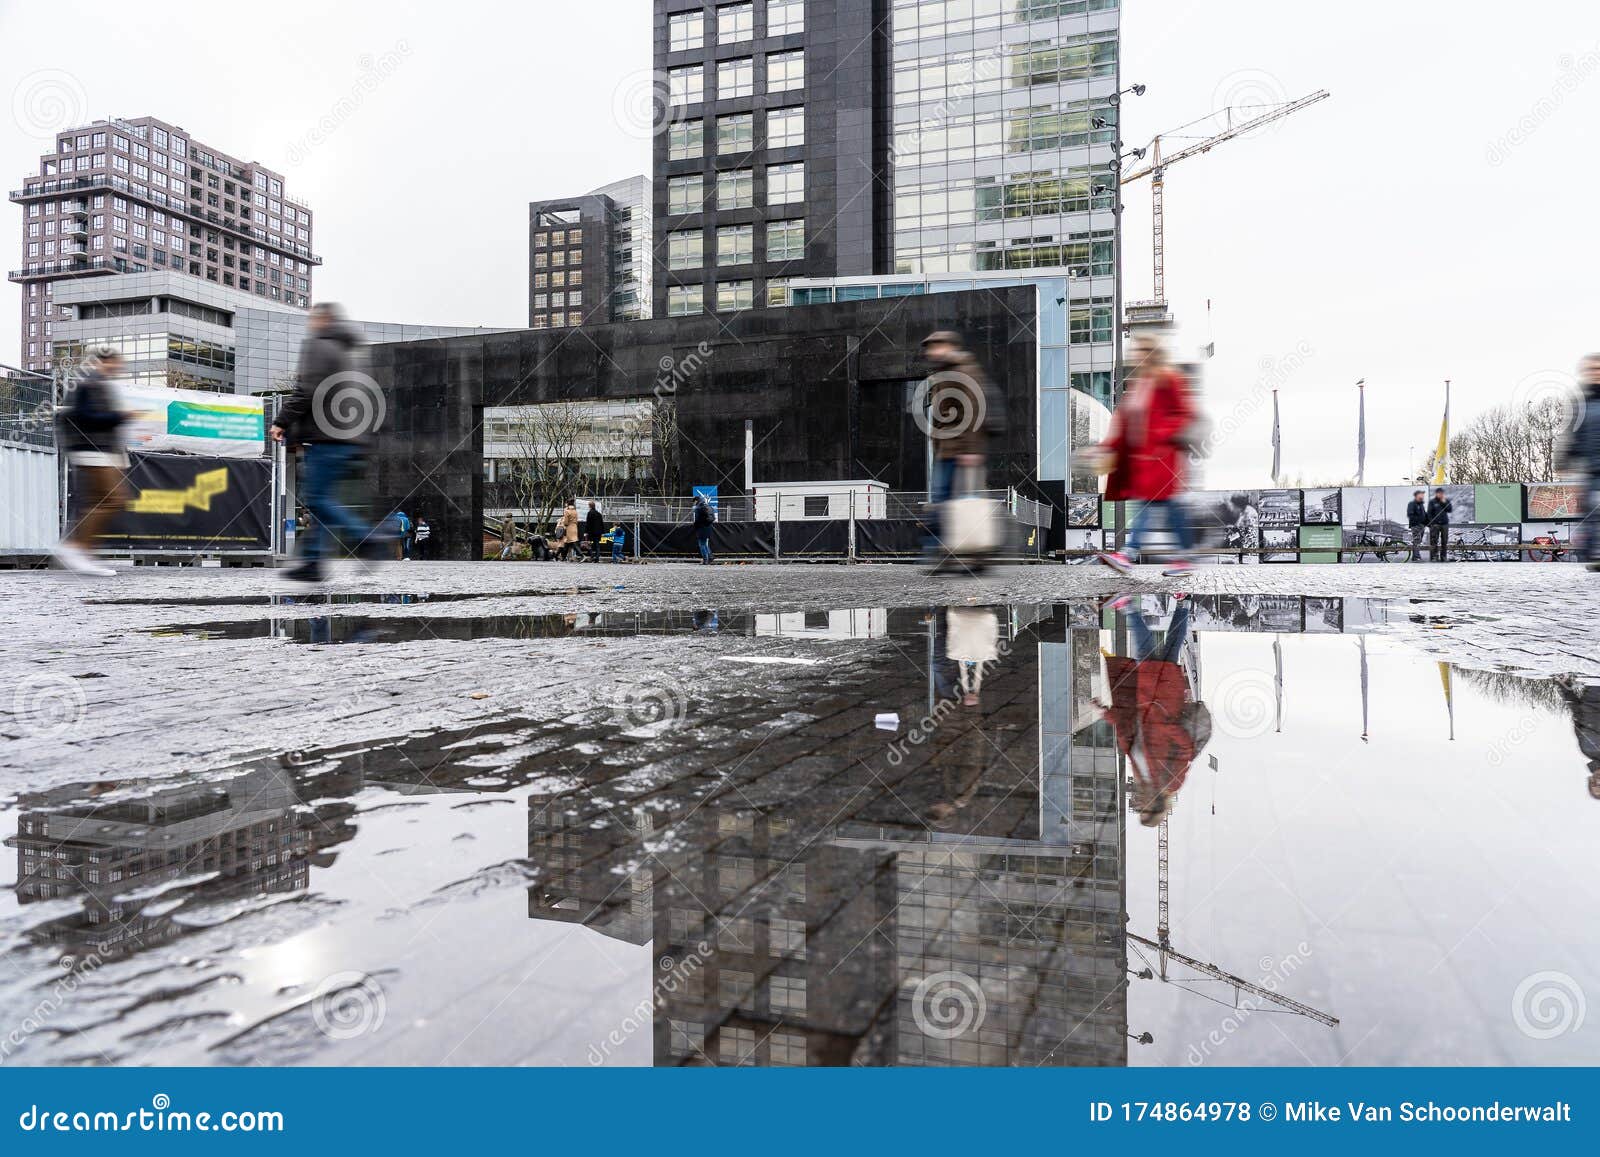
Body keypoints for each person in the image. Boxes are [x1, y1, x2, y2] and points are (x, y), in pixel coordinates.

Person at [270, 303, 390, 583]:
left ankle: (368, 539)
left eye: (313, 318)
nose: (310, 323)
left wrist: (282, 421)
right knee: (323, 500)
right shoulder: (347, 351)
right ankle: (314, 563)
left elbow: (306, 391)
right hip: (349, 439)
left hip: (325, 438)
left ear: (322, 320)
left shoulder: (318, 345)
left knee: (318, 500)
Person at [1097, 595, 1208, 827]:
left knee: (1154, 648)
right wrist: (1167, 727)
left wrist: (1106, 714)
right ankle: (1134, 605)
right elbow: (1186, 750)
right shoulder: (1171, 783)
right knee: (1169, 646)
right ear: (1154, 806)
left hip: (1146, 699)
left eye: (1139, 808)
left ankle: (1178, 604)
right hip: (1166, 701)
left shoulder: (1141, 778)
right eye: (1144, 808)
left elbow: (1130, 734)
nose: (1139, 803)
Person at [1097, 335, 1199, 578]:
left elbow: (1186, 414)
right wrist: (1107, 447)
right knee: (1158, 507)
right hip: (1143, 464)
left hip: (1163, 460)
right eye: (1136, 350)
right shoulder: (1139, 386)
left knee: (1164, 508)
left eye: (1143, 349)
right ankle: (1173, 558)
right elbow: (1124, 423)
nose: (1137, 354)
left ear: (1154, 352)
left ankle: (1133, 555)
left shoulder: (1169, 379)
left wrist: (1161, 437)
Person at [919, 331, 1004, 569]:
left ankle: (975, 554)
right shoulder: (940, 374)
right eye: (929, 347)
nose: (931, 352)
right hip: (946, 450)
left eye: (936, 346)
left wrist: (971, 450)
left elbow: (974, 410)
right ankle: (945, 554)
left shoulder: (964, 370)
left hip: (962, 450)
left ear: (950, 346)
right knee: (946, 502)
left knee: (964, 502)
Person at [55, 347, 134, 577]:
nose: (118, 367)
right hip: (94, 451)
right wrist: (121, 416)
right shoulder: (90, 382)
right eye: (116, 363)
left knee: (98, 501)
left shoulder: (96, 382)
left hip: (100, 451)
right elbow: (85, 417)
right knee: (114, 499)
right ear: (103, 361)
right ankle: (77, 549)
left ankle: (79, 551)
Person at [1572, 354, 1600, 571]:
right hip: (1591, 468)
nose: (1595, 373)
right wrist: (1567, 454)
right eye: (1591, 369)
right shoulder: (1580, 402)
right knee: (1591, 513)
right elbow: (1574, 431)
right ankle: (1596, 555)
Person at [1425, 487, 1453, 562]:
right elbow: (1429, 513)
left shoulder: (1445, 500)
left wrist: (1444, 502)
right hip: (1435, 524)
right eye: (1439, 493)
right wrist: (1432, 523)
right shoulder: (1432, 502)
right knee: (1434, 541)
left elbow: (1449, 509)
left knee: (1444, 541)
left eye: (1442, 493)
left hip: (1444, 524)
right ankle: (1434, 556)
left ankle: (1443, 557)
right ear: (1436, 494)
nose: (1441, 494)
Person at [1405, 489, 1428, 562]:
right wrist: (1419, 521)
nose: (1422, 496)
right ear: (1416, 496)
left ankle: (1415, 556)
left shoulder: (1421, 505)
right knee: (1417, 540)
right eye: (1421, 495)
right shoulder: (1412, 504)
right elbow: (1410, 514)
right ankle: (1416, 557)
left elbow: (1424, 515)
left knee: (1418, 541)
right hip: (1415, 525)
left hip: (1422, 526)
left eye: (1423, 495)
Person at [692, 493, 715, 564]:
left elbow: (697, 520)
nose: (693, 504)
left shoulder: (698, 508)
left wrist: (695, 526)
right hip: (708, 527)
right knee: (705, 543)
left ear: (696, 501)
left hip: (701, 528)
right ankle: (710, 557)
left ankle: (705, 560)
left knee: (701, 544)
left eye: (694, 502)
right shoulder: (707, 506)